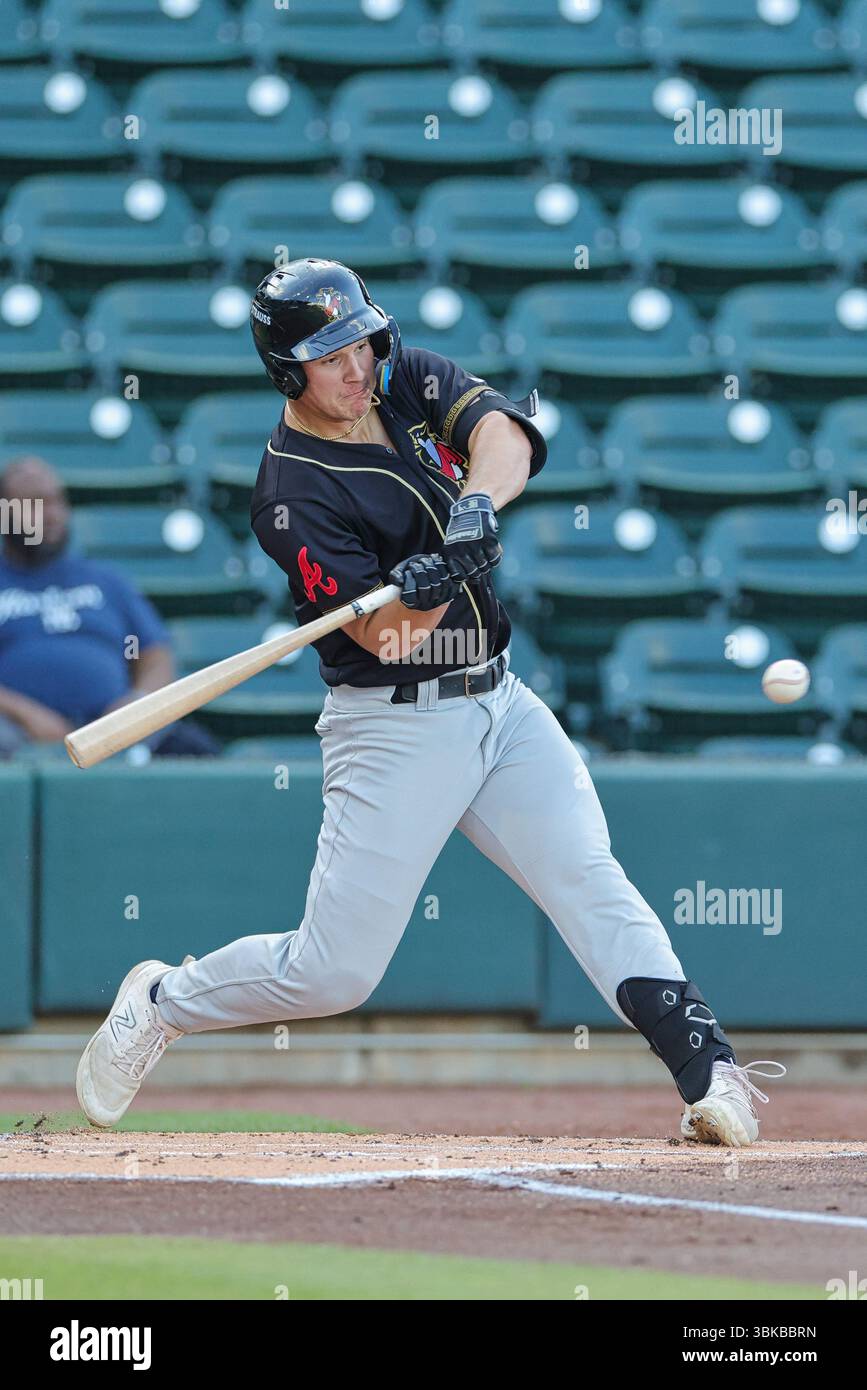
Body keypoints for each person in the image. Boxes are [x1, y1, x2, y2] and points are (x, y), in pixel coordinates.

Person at [76, 259, 785, 1144]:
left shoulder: (403, 375)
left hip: (501, 701)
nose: (356, 368)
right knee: (334, 974)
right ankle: (162, 999)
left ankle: (708, 1072)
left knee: (588, 881)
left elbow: (506, 436)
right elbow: (389, 640)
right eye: (330, 358)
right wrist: (435, 585)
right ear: (287, 372)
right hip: (393, 727)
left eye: (361, 344)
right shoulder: (290, 494)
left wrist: (472, 510)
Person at [0, 456, 217, 759]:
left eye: (57, 501)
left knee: (192, 748)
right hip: (18, 733)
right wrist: (26, 714)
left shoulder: (104, 580)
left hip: (118, 731)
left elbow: (155, 655)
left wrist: (136, 704)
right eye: (34, 504)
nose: (51, 515)